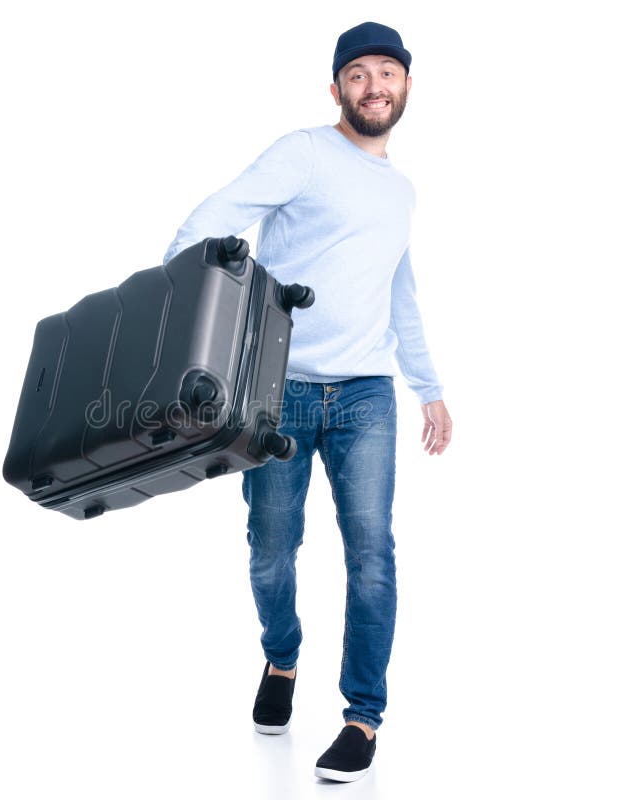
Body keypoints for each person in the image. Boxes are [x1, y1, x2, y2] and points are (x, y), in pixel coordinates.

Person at [162, 21, 452, 783]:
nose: (374, 86)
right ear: (336, 89)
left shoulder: (400, 191)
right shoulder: (305, 152)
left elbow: (401, 293)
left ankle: (362, 717)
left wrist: (429, 387)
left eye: (387, 72)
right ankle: (282, 658)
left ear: (407, 88)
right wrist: (170, 299)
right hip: (278, 390)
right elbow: (216, 214)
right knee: (270, 546)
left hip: (366, 396)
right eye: (357, 74)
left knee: (372, 556)